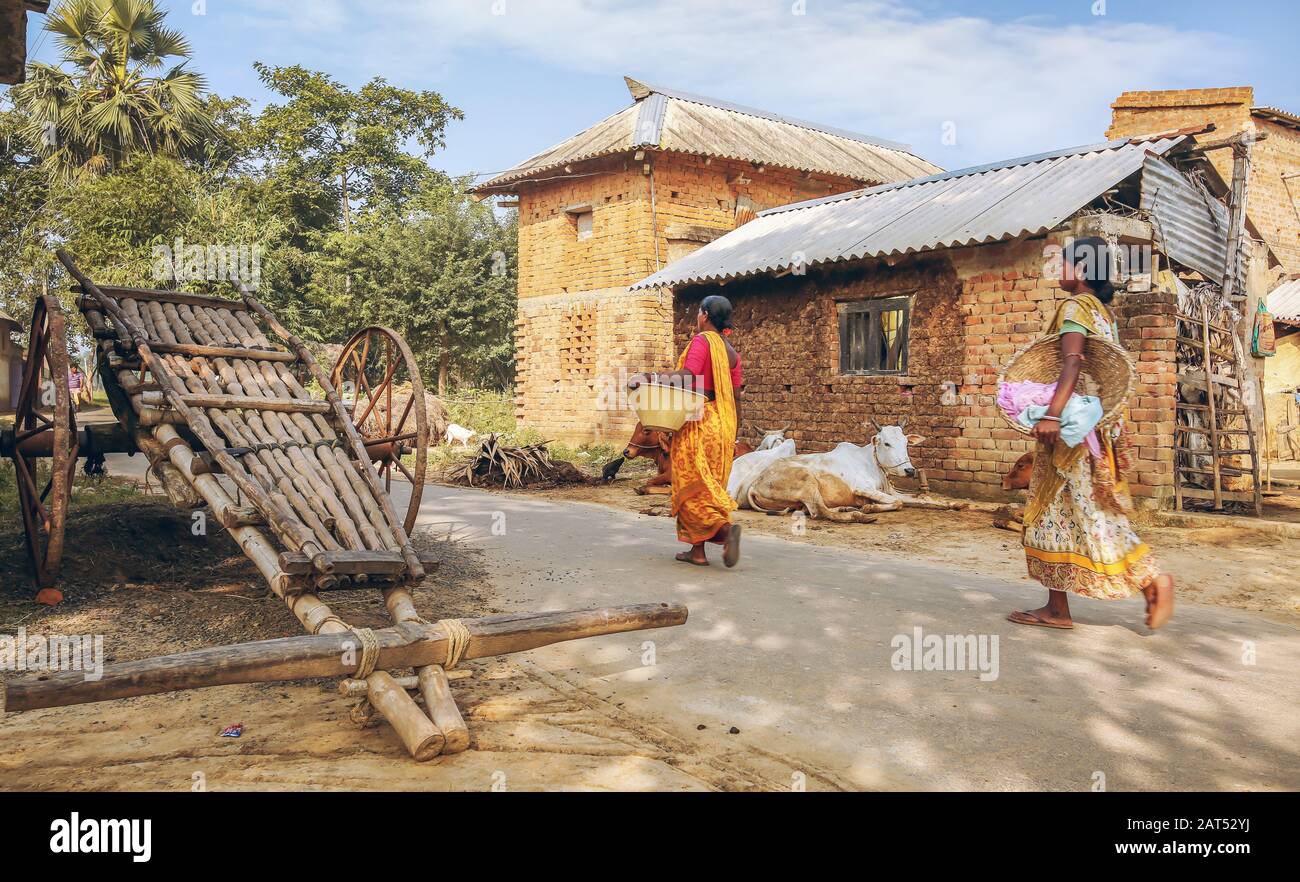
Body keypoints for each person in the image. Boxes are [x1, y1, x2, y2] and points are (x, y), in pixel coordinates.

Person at [1009, 237, 1175, 630]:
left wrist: (1050, 416)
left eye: (1064, 263)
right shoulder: (1103, 313)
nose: (1059, 271)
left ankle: (1152, 579)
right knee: (1064, 514)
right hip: (1094, 430)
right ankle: (1058, 608)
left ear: (1081, 269)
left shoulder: (1074, 307)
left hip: (1072, 433)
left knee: (1082, 514)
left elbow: (1072, 363)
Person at [628, 295, 743, 567]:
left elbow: (689, 376)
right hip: (723, 425)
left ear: (704, 315)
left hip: (698, 421)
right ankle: (697, 552)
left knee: (690, 483)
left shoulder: (702, 341)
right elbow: (736, 396)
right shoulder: (732, 353)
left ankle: (726, 532)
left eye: (698, 313)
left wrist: (650, 377)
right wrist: (735, 431)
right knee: (707, 485)